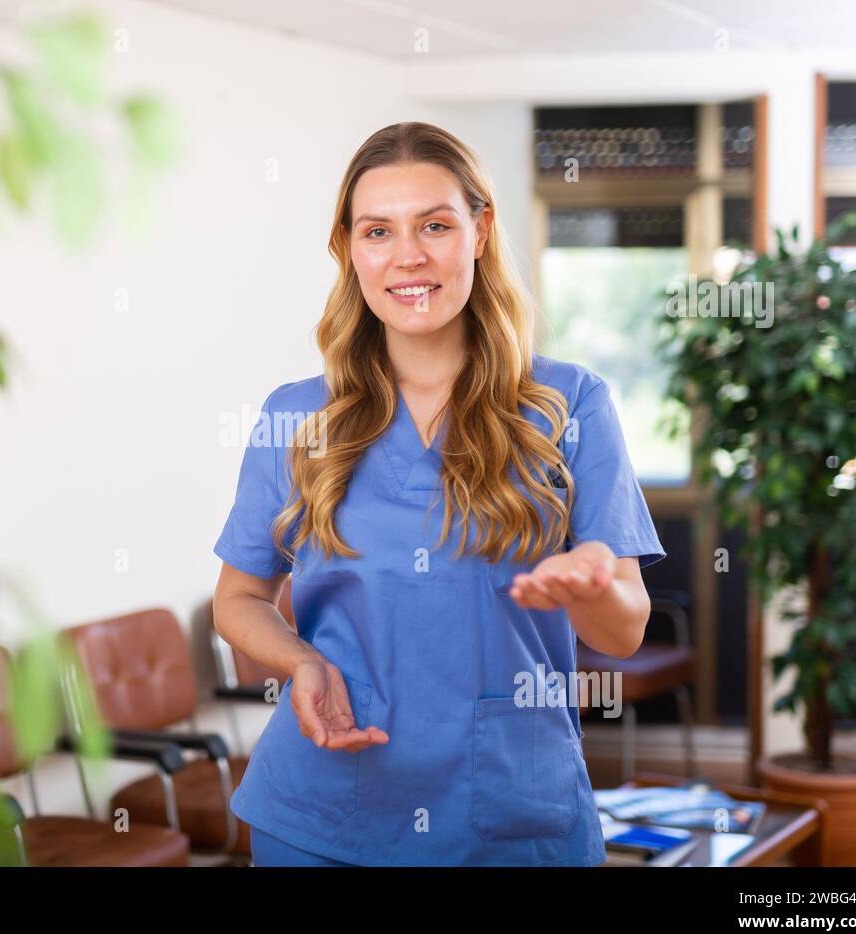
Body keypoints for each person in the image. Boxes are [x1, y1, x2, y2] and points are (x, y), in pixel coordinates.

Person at [211, 121, 667, 867]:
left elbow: (622, 632)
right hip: (322, 813)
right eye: (378, 231)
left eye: (435, 225)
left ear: (480, 232)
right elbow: (239, 599)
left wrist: (585, 586)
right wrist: (302, 663)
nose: (408, 256)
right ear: (349, 249)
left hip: (510, 815)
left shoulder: (569, 405)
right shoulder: (296, 418)